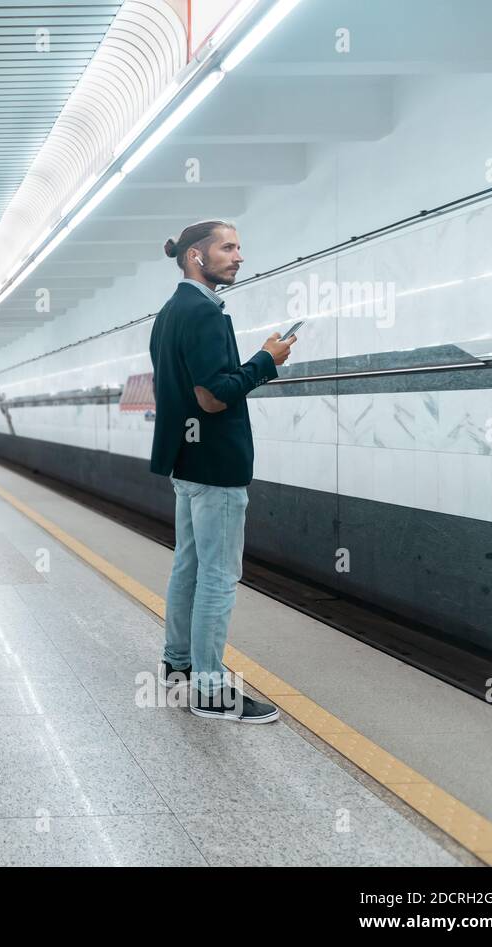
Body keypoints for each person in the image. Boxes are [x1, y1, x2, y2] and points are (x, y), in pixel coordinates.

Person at [149, 220, 294, 724]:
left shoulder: (169, 313)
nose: (238, 256)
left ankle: (178, 665)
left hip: (185, 462)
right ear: (196, 256)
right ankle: (210, 691)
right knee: (218, 573)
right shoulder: (204, 313)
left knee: (188, 564)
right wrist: (266, 360)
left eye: (238, 247)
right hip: (216, 464)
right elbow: (212, 397)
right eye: (228, 247)